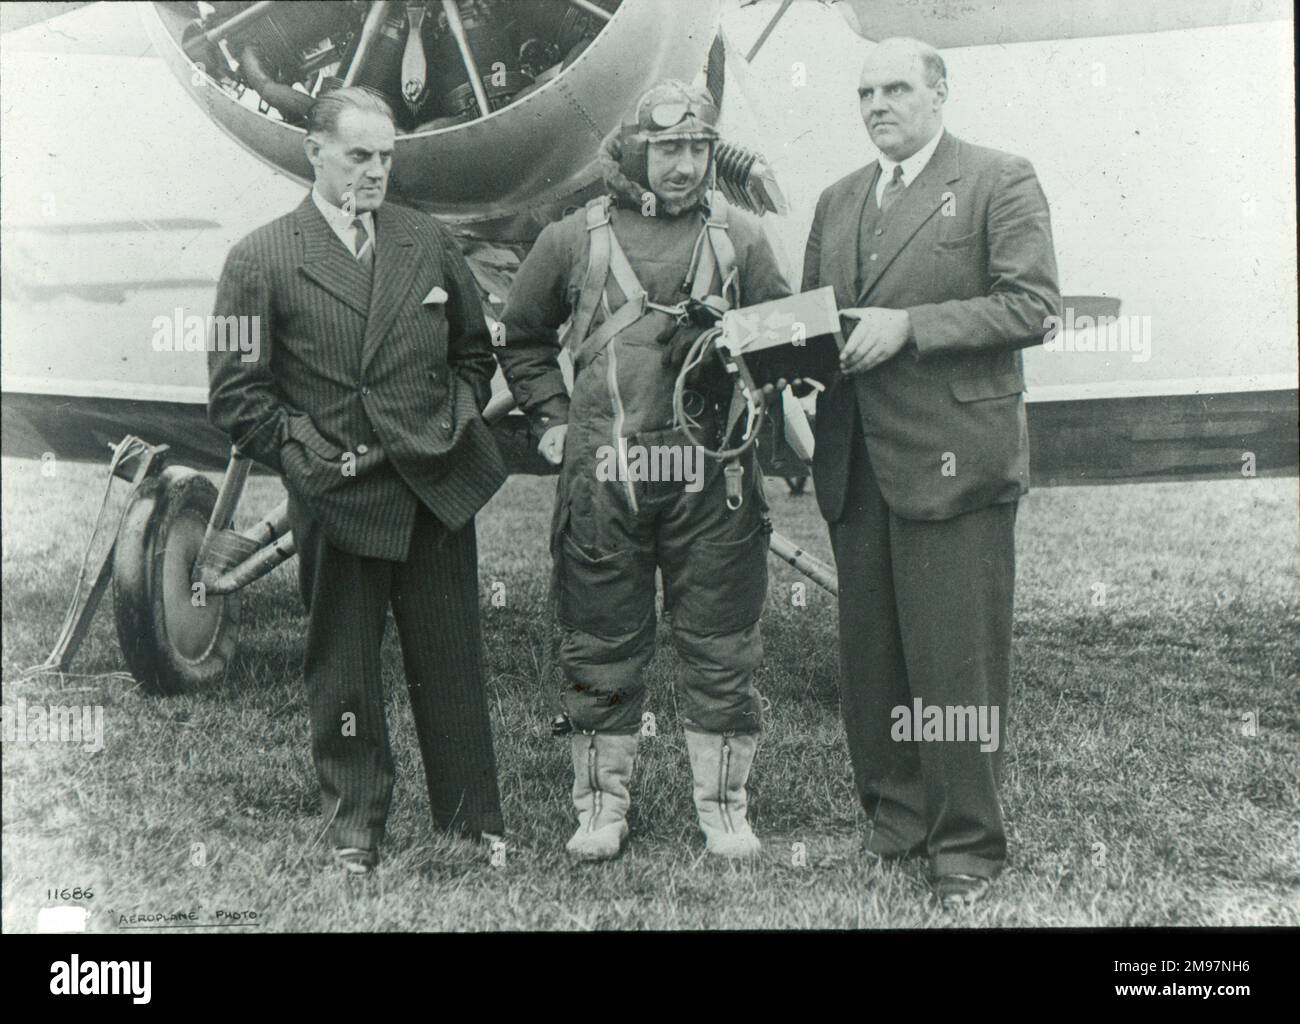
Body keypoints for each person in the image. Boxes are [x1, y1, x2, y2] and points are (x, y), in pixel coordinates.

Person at [207, 87, 507, 874]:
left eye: (386, 157)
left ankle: (474, 828)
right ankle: (355, 830)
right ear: (314, 151)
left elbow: (474, 355)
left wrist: (456, 421)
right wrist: (305, 454)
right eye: (359, 156)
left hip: (436, 487)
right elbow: (237, 395)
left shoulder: (428, 241)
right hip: (339, 496)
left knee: (450, 660)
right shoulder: (261, 257)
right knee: (342, 670)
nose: (376, 172)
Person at [496, 80, 791, 860]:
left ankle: (724, 809)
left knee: (723, 644)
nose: (685, 165)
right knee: (597, 646)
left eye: (698, 148)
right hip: (607, 481)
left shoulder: (744, 239)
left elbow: (787, 339)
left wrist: (748, 349)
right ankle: (599, 809)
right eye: (668, 149)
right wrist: (553, 421)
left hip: (714, 482)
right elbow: (522, 338)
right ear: (634, 150)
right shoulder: (569, 239)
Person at [802, 38, 1060, 907]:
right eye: (866, 91)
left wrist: (911, 325)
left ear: (939, 92)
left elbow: (1033, 305)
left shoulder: (999, 177)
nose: (878, 104)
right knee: (872, 655)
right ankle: (898, 816)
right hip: (856, 464)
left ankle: (968, 844)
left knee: (954, 664)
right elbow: (818, 327)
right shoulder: (838, 200)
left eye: (897, 89)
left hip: (955, 465)